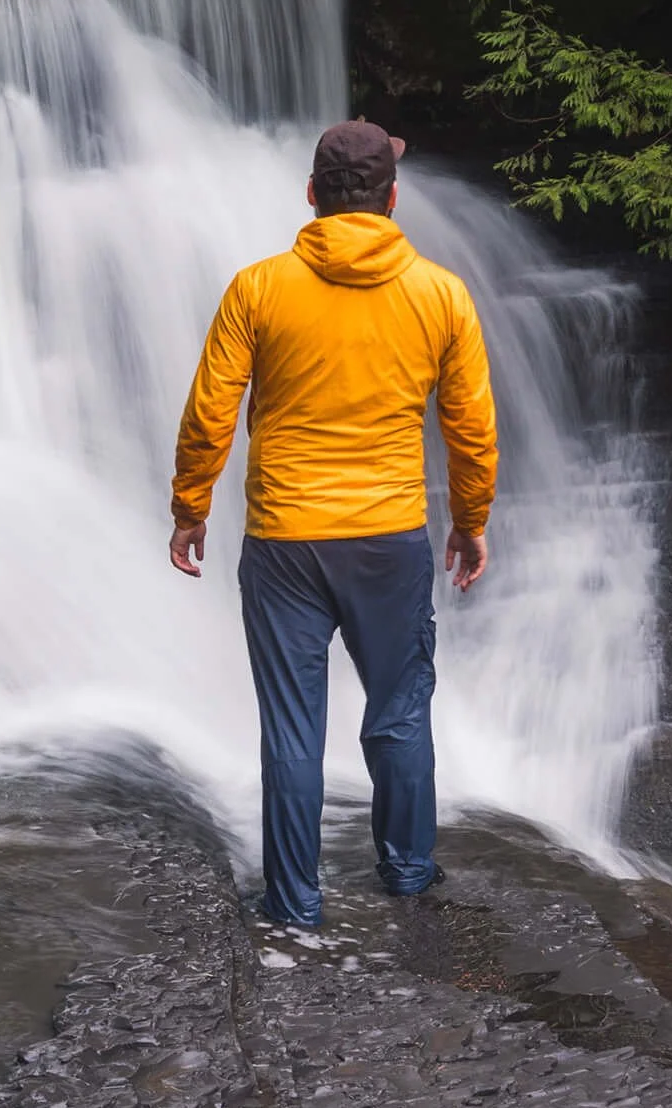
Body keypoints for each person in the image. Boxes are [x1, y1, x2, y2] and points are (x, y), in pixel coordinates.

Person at [170, 115, 497, 928]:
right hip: (389, 539)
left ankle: (292, 903)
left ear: (313, 196)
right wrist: (469, 520)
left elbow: (211, 412)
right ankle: (409, 872)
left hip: (285, 541)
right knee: (399, 709)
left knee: (291, 727)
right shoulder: (441, 294)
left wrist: (190, 506)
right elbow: (472, 427)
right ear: (392, 197)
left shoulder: (258, 288)